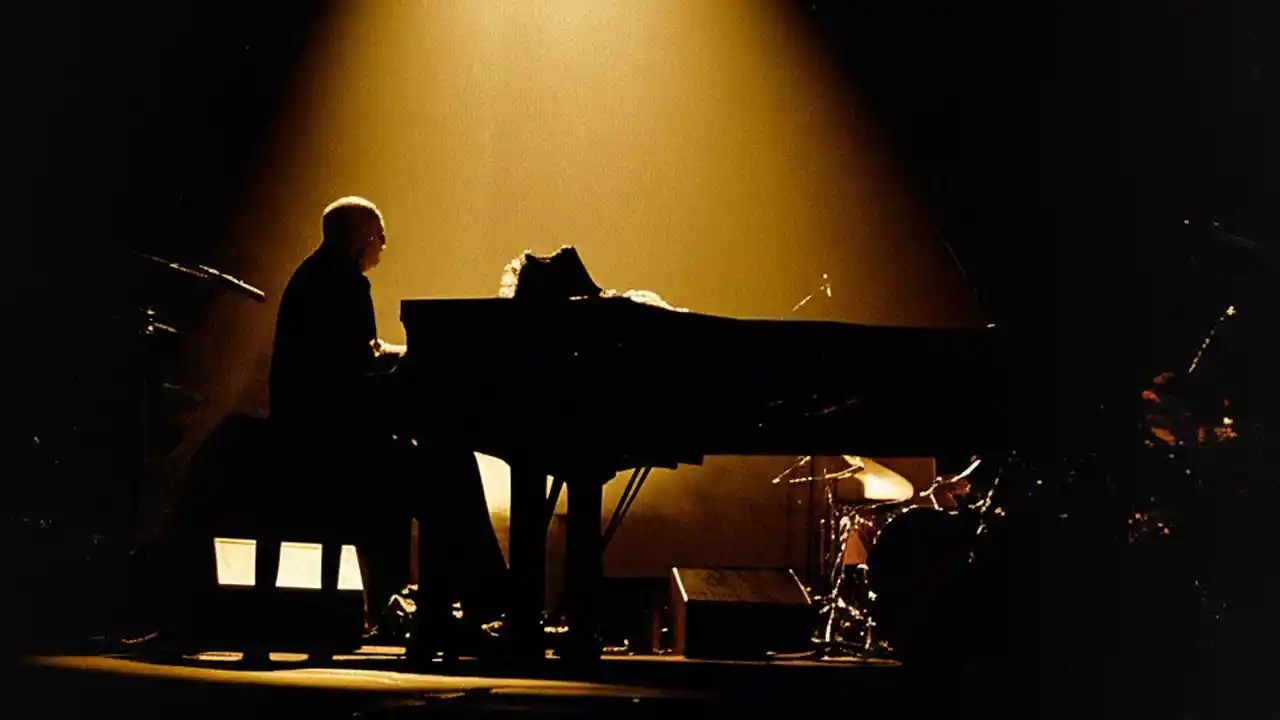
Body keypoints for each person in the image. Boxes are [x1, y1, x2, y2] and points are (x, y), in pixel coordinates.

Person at [265, 196, 505, 660]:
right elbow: (361, 371)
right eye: (378, 234)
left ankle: (461, 606)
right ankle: (460, 609)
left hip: (308, 435)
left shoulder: (312, 276)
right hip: (334, 446)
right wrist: (420, 362)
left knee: (443, 461)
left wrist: (400, 358)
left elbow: (360, 353)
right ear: (356, 237)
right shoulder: (347, 284)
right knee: (448, 467)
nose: (384, 243)